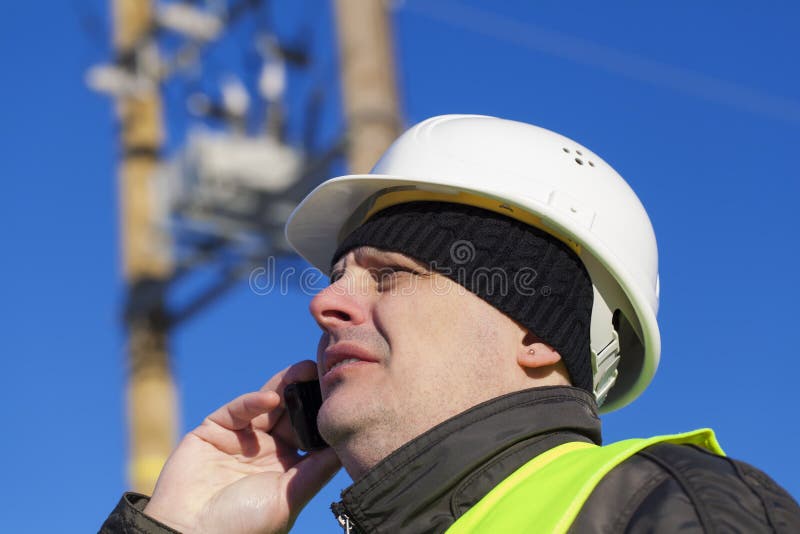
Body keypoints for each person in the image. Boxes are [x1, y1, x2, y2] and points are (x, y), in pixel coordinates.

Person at [101, 115, 800, 533]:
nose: (323, 304)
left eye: (392, 273)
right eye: (337, 277)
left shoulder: (663, 507)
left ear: (538, 333)